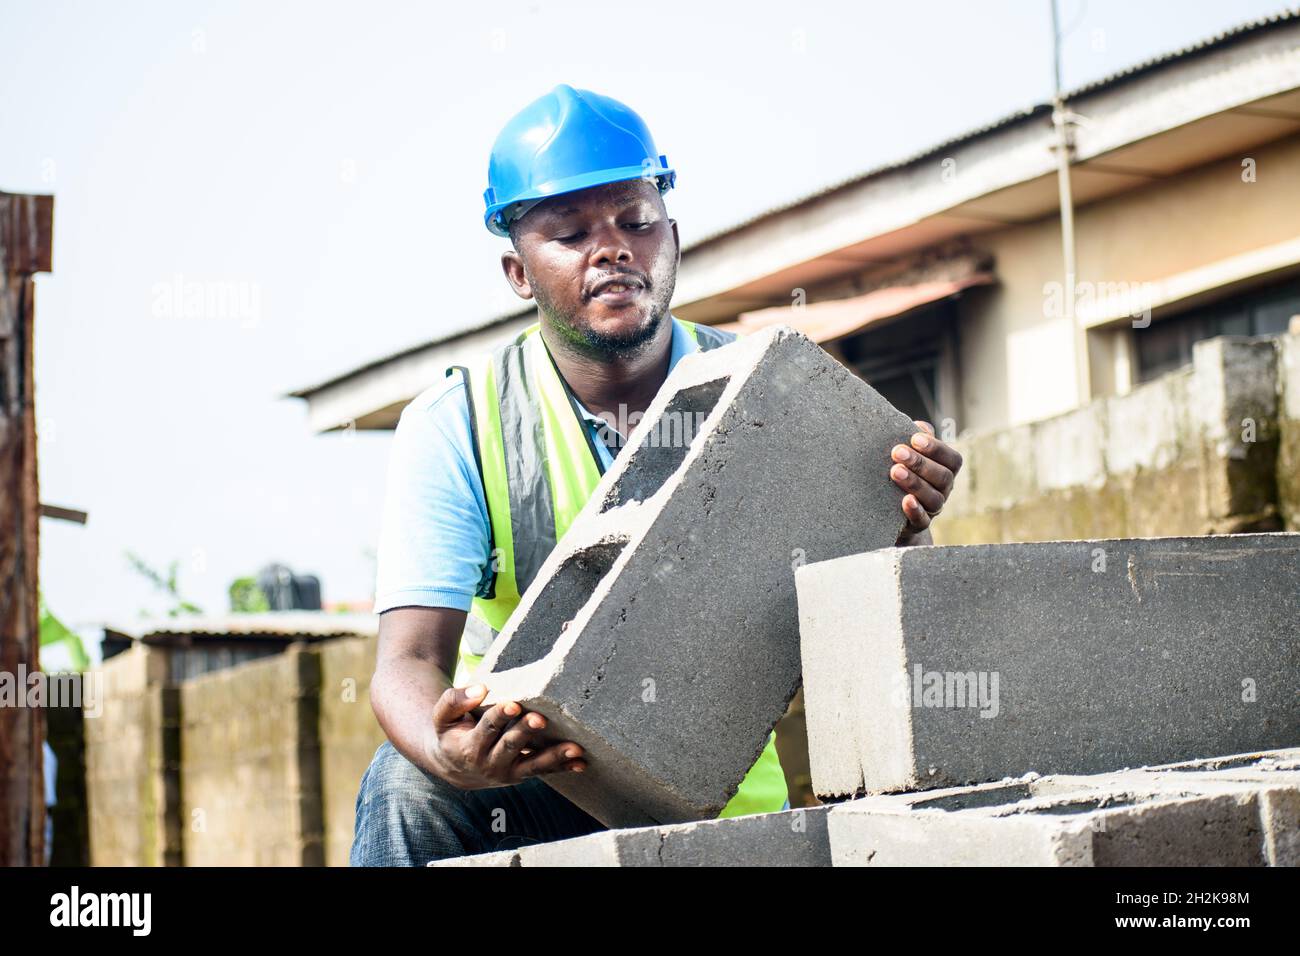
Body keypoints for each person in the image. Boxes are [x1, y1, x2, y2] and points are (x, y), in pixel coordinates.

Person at [350, 85, 963, 866]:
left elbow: (879, 626)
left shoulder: (771, 388)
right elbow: (406, 660)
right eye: (570, 233)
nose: (612, 249)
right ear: (517, 271)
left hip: (712, 794)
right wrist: (451, 756)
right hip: (540, 779)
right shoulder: (459, 425)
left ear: (672, 235)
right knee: (406, 789)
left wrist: (907, 517)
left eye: (635, 222)